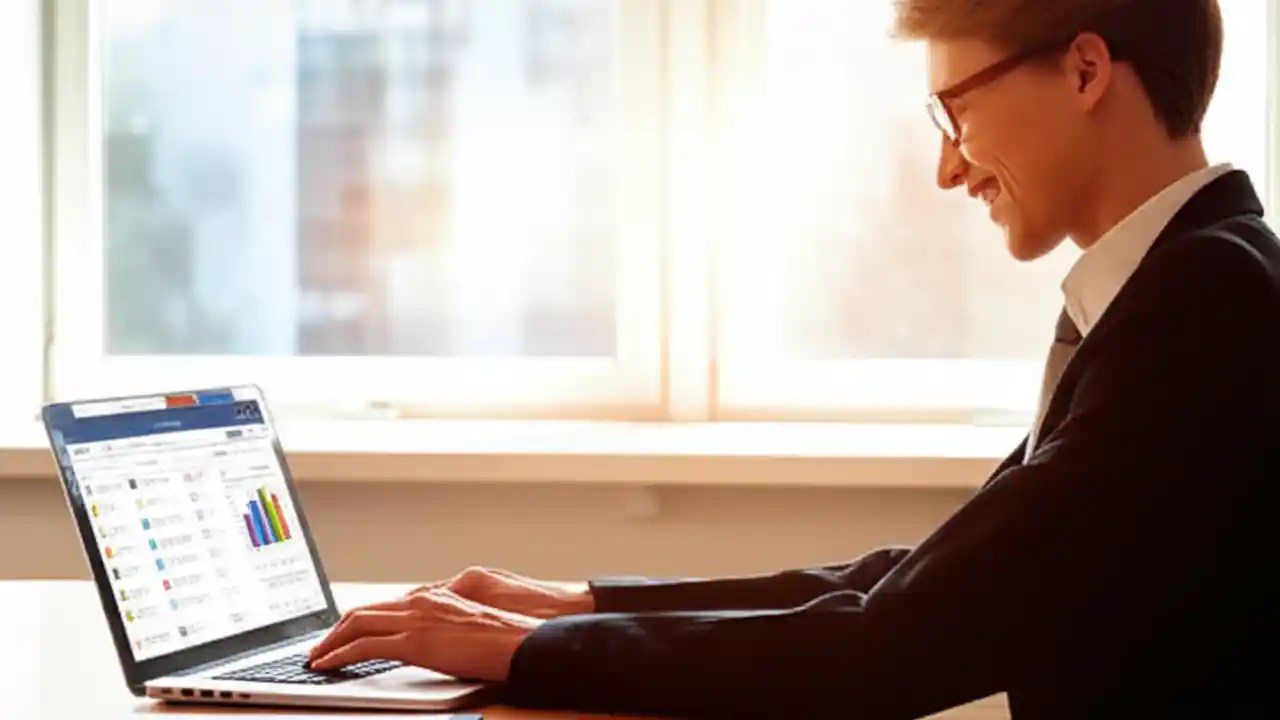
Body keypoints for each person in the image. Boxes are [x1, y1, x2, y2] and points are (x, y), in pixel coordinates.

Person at [307, 1, 1280, 717]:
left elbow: (895, 647)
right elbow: (926, 582)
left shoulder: (1204, 310)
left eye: (955, 111)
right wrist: (582, 604)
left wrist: (533, 649)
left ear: (1081, 72)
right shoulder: (1185, 284)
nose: (946, 168)